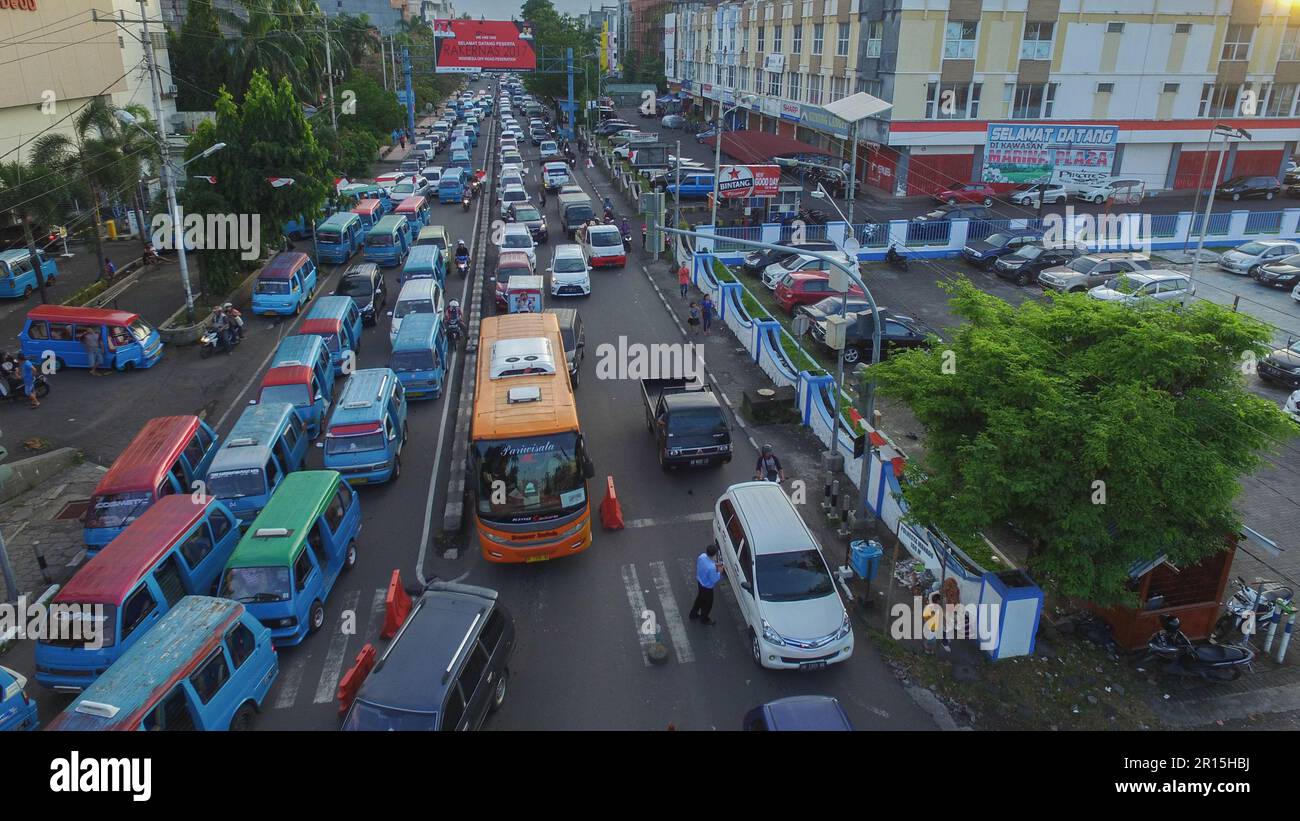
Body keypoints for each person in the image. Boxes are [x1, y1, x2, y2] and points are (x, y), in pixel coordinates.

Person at [688, 544, 724, 625]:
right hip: (707, 588)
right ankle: (704, 619)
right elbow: (714, 579)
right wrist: (720, 572)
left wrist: (715, 565)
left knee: (699, 599)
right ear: (714, 554)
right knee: (708, 604)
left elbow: (707, 565)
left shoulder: (702, 556)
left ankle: (693, 614)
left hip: (700, 582)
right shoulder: (711, 568)